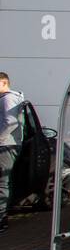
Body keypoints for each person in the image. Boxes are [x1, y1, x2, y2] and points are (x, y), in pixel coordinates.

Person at [0, 72, 25, 234]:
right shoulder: (13, 98)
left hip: (6, 145)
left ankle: (1, 219)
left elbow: (11, 122)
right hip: (9, 144)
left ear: (3, 83)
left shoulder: (8, 99)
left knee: (2, 181)